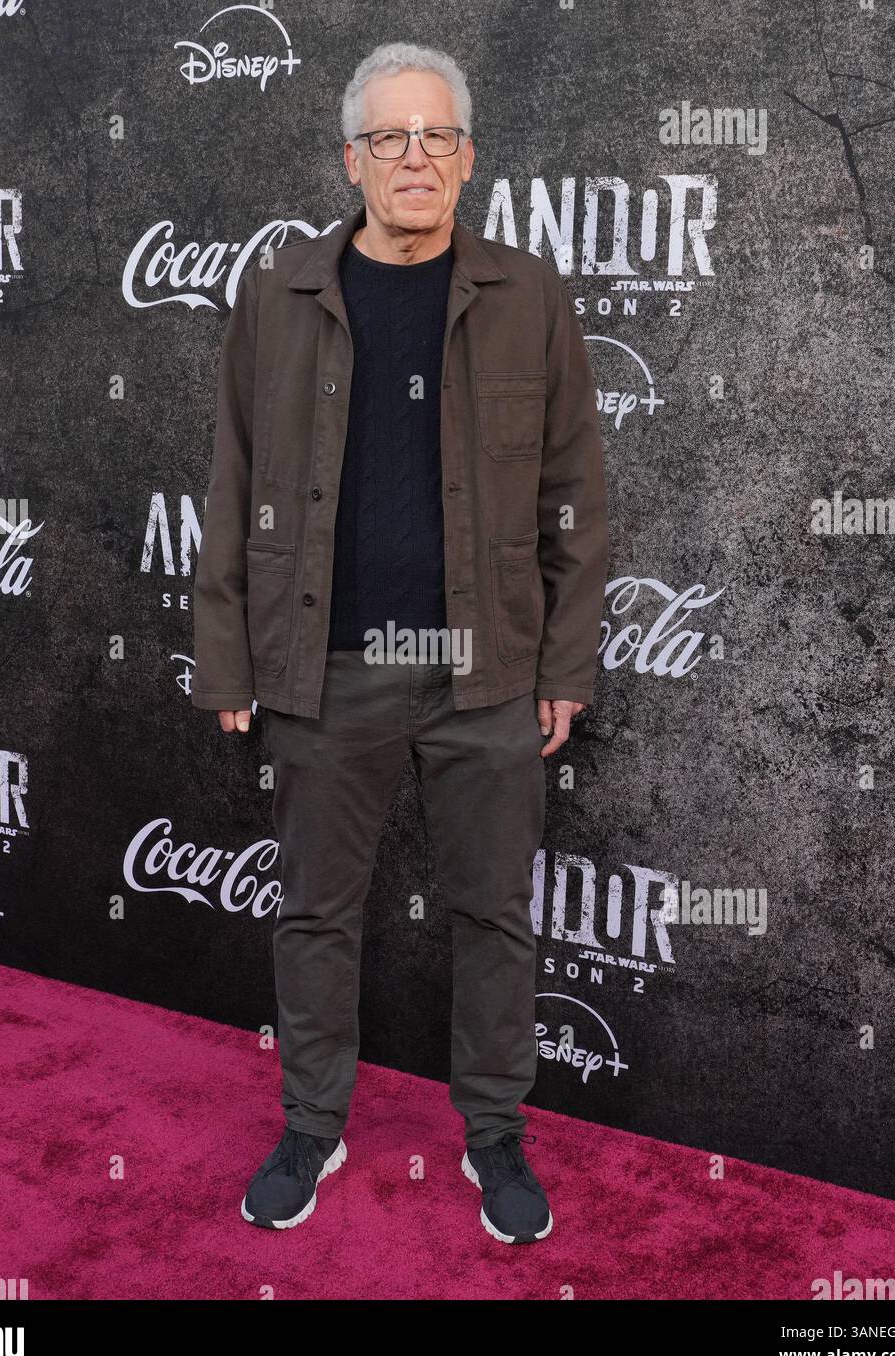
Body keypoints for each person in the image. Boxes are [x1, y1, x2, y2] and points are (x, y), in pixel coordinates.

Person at [191, 41, 608, 1245]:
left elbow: (574, 496)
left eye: (434, 137)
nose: (413, 157)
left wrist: (563, 665)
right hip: (329, 668)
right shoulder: (279, 292)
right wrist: (230, 656)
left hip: (487, 673)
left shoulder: (529, 294)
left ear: (468, 158)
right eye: (389, 137)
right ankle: (311, 1124)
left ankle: (494, 1136)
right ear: (352, 158)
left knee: (491, 915)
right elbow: (234, 480)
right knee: (316, 913)